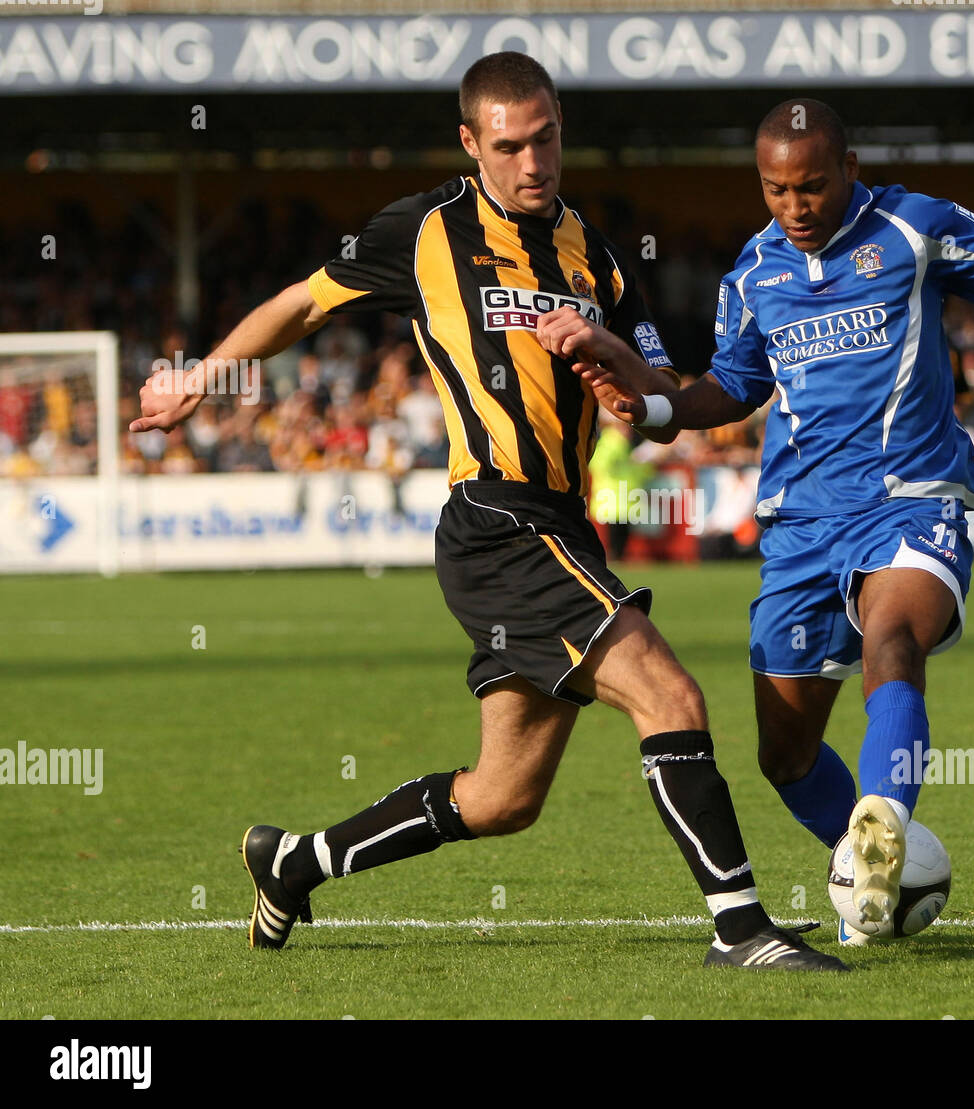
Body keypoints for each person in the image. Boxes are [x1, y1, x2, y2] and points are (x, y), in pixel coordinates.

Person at [130, 56, 847, 972]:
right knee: (670, 695)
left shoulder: (596, 251)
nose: (533, 161)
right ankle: (741, 929)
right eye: (508, 145)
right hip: (497, 519)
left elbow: (658, 400)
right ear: (472, 144)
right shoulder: (427, 230)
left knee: (505, 795)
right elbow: (303, 302)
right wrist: (202, 376)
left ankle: (294, 861)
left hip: (560, 524)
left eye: (545, 137)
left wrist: (617, 371)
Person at [536, 99, 974, 941]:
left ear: (849, 168)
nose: (796, 206)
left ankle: (886, 815)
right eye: (777, 190)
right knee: (782, 755)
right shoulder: (753, 273)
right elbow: (731, 387)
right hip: (798, 526)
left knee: (893, 642)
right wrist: (655, 407)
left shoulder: (911, 227)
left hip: (908, 496)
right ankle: (871, 869)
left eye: (813, 186)